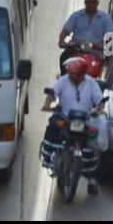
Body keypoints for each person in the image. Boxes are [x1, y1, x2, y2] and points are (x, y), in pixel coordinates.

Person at [39, 55, 104, 195]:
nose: (70, 74)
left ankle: (92, 181)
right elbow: (52, 93)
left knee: (92, 145)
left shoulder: (91, 83)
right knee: (52, 126)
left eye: (73, 72)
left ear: (81, 73)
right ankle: (47, 155)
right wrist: (47, 104)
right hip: (65, 117)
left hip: (83, 120)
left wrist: (101, 110)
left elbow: (100, 100)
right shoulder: (63, 81)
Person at [59, 0, 113, 68]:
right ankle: (64, 78)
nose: (91, 4)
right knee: (63, 58)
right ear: (85, 3)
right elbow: (65, 30)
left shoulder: (106, 18)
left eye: (94, 2)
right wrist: (62, 41)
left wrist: (110, 49)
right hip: (76, 51)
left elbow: (111, 35)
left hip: (96, 54)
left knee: (110, 66)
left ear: (97, 3)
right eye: (89, 2)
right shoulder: (76, 16)